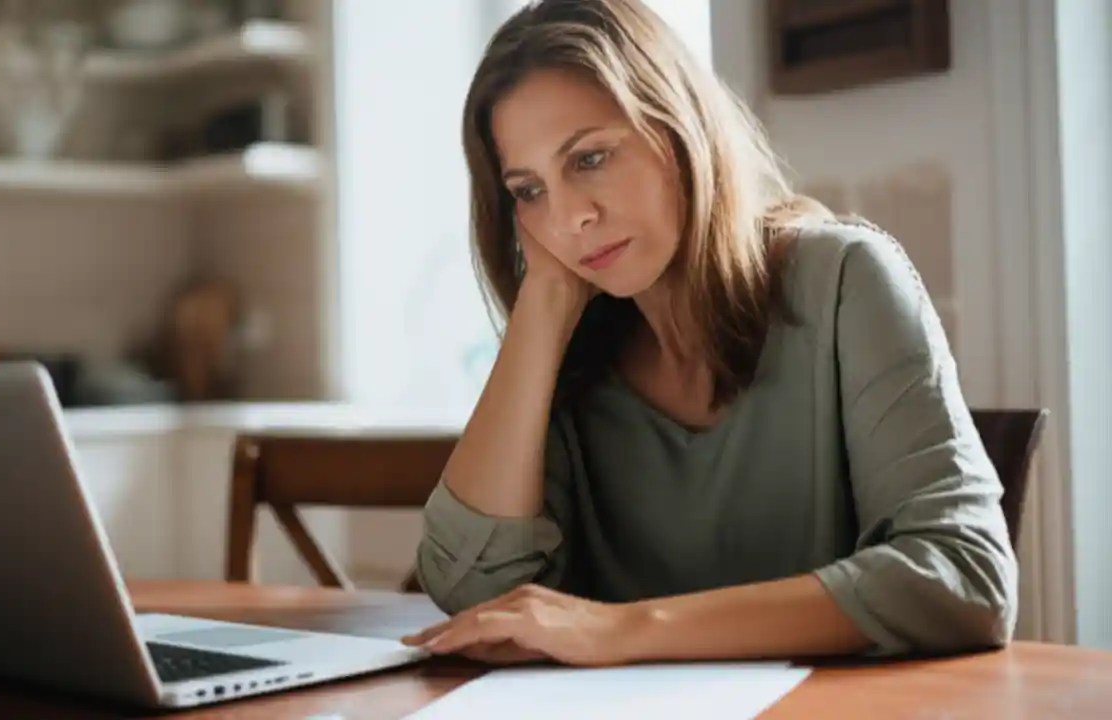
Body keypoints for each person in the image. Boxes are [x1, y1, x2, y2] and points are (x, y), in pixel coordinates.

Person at [400, 0, 1016, 666]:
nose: (569, 216)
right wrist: (543, 303)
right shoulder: (570, 353)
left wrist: (626, 630)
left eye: (589, 158)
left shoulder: (845, 281)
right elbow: (475, 595)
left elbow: (964, 574)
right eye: (528, 191)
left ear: (676, 128)